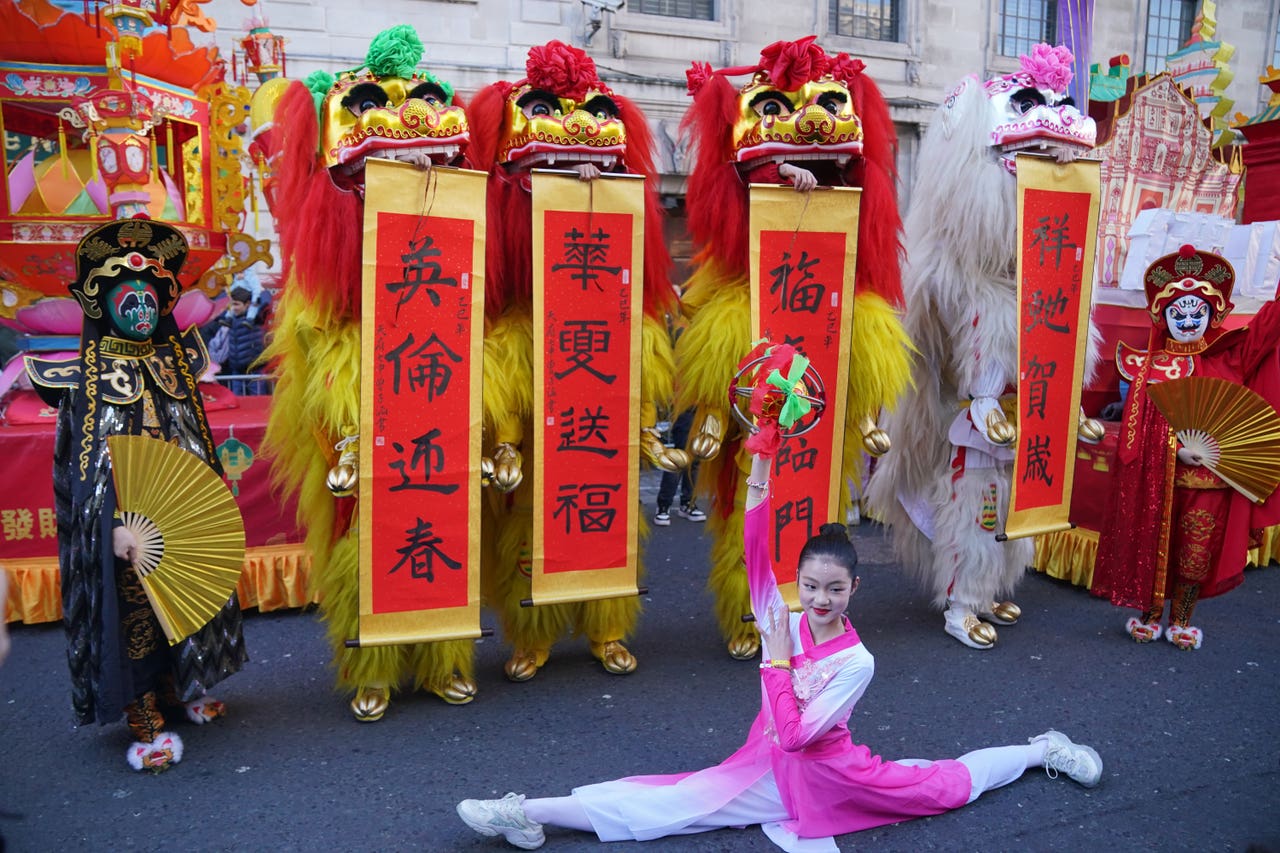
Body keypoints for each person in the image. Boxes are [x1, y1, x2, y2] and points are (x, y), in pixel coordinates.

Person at [457, 450, 1103, 851]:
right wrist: (762, 462)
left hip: (837, 774)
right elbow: (756, 549)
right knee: (668, 804)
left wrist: (774, 656)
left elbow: (796, 735)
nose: (819, 599)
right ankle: (527, 811)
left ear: (855, 587)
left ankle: (1040, 748)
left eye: (834, 589)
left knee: (946, 785)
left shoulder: (856, 661)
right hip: (765, 772)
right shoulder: (787, 616)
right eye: (812, 585)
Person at [24, 218, 247, 772]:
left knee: (185, 601)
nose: (143, 311)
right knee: (133, 618)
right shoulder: (85, 381)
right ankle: (142, 710)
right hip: (123, 524)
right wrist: (110, 526)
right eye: (131, 300)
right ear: (105, 307)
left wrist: (203, 502)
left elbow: (194, 443)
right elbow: (82, 471)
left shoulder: (176, 367)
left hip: (176, 518)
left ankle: (179, 687)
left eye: (151, 300)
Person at [1092, 245, 1280, 649]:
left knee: (1194, 556)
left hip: (1211, 484)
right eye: (1179, 313)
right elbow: (1136, 430)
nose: (1189, 321)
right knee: (1152, 546)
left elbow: (1268, 329)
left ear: (1214, 314)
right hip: (1159, 478)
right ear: (1163, 317)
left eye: (1199, 313)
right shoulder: (1149, 366)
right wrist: (1175, 449)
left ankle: (1182, 617)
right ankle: (1149, 612)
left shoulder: (1228, 359)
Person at [204, 285, 267, 395]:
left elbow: (266, 300)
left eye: (237, 304)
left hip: (254, 371)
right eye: (232, 304)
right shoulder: (230, 319)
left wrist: (258, 290)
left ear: (247, 304)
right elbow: (217, 312)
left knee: (257, 403)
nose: (234, 308)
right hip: (237, 371)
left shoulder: (256, 318)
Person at [653, 408, 704, 526]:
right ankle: (665, 505)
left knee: (695, 459)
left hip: (705, 410)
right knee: (680, 458)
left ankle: (687, 502)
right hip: (688, 408)